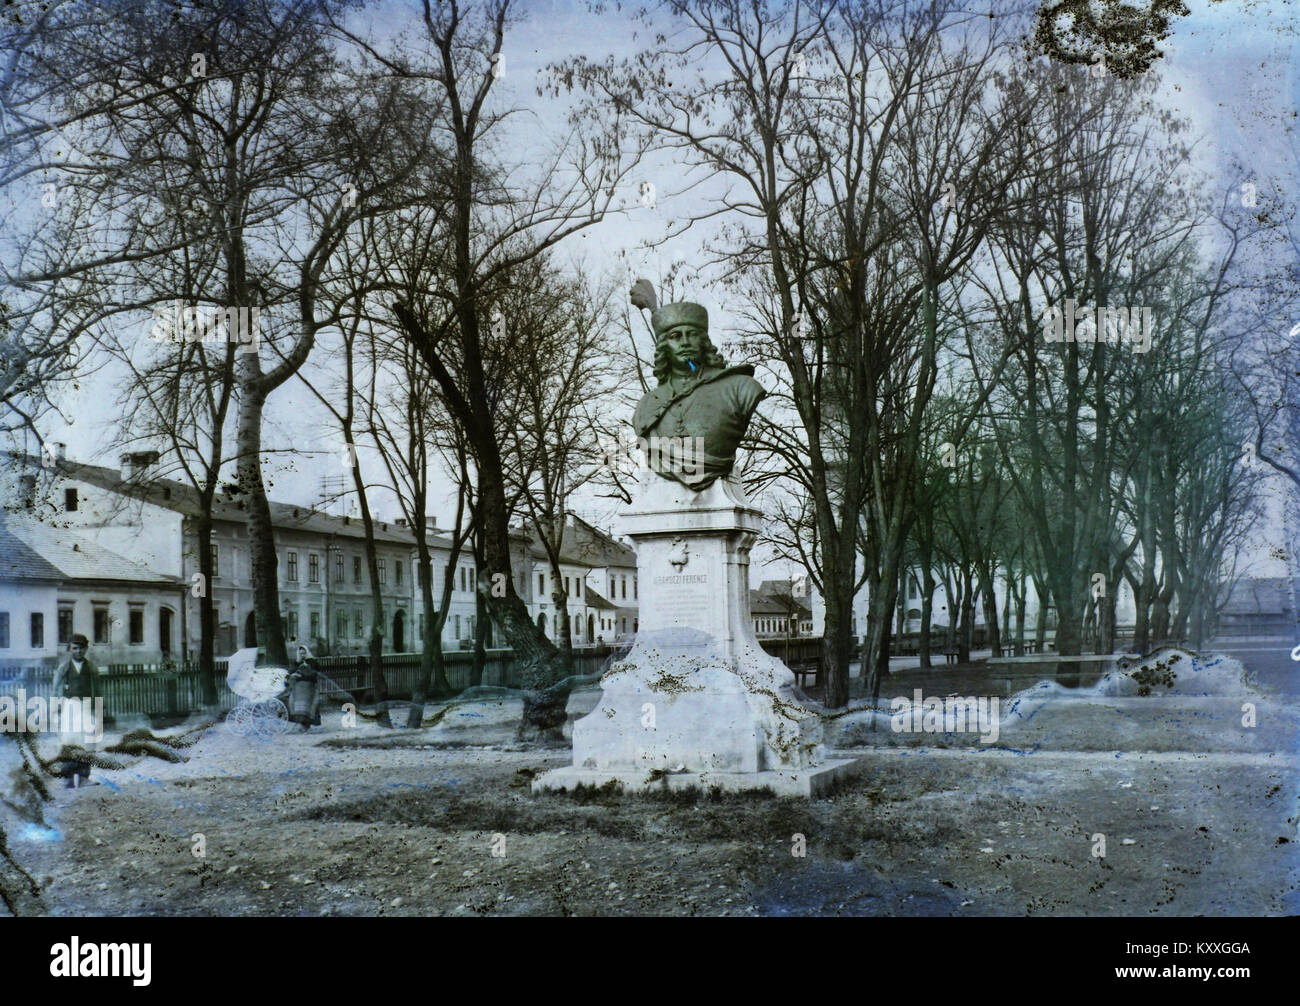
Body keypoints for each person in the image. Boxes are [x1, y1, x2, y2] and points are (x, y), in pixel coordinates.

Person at [629, 280, 766, 491]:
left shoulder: (741, 388)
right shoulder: (646, 406)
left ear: (703, 341)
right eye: (675, 336)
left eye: (691, 334)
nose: (684, 342)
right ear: (664, 347)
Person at [52, 634, 100, 787]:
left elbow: (97, 689)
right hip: (69, 707)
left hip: (86, 706)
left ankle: (84, 777)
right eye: (75, 648)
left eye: (81, 648)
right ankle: (68, 779)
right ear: (70, 649)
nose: (78, 651)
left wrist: (97, 709)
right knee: (69, 741)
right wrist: (56, 708)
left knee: (86, 742)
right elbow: (56, 688)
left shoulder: (91, 667)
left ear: (86, 649)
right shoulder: (64, 667)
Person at [285, 644, 321, 730]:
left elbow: (314, 674)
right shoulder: (297, 662)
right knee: (293, 698)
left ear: (307, 653)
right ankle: (300, 721)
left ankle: (306, 723)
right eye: (300, 653)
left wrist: (302, 674)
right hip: (298, 687)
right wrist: (294, 672)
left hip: (309, 685)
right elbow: (290, 672)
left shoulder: (312, 662)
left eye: (304, 653)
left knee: (304, 696)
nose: (302, 655)